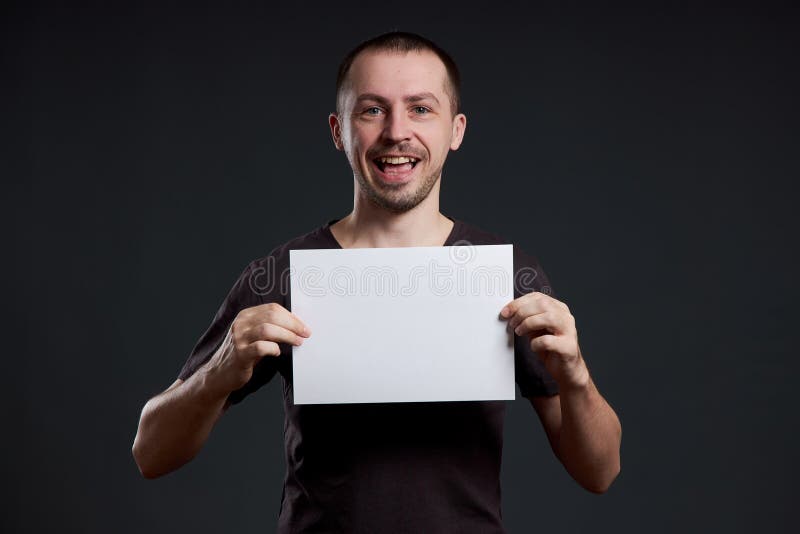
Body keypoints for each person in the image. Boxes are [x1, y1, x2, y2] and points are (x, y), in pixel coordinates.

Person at [132, 31, 622, 533]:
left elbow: (601, 472)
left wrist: (576, 375)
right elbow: (150, 453)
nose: (396, 132)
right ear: (338, 130)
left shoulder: (505, 276)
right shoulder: (284, 273)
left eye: (420, 109)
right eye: (372, 110)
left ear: (455, 130)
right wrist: (218, 373)